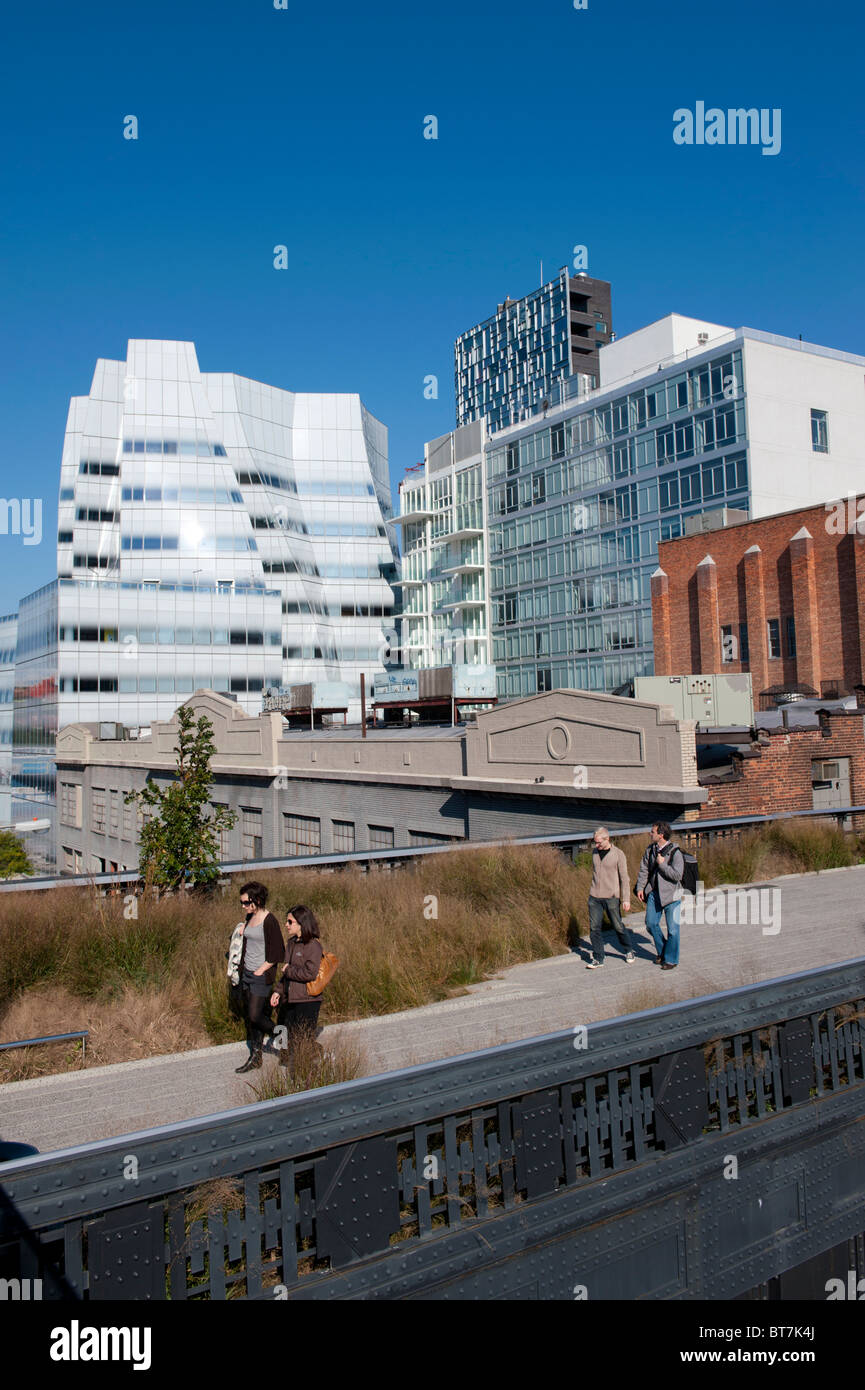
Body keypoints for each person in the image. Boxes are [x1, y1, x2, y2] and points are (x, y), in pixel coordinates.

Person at [231, 881, 285, 1073]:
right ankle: (255, 1056)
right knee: (251, 1018)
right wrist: (241, 931)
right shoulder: (249, 917)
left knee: (255, 1015)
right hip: (246, 973)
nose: (243, 906)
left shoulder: (269, 920)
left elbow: (278, 952)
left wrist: (262, 969)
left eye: (246, 902)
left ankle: (283, 1039)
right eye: (241, 902)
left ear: (257, 900)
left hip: (260, 976)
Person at [270, 905, 325, 1069]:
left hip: (308, 1000)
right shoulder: (291, 943)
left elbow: (310, 974)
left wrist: (290, 970)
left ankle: (309, 1066)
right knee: (287, 1031)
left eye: (290, 922)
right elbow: (285, 973)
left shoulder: (313, 946)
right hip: (290, 997)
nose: (286, 925)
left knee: (303, 1037)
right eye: (286, 921)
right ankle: (292, 1060)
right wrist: (278, 992)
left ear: (301, 923)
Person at [635, 822, 685, 971]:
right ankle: (663, 951)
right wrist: (640, 887)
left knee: (673, 930)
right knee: (650, 924)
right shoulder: (650, 850)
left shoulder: (676, 852)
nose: (650, 834)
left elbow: (677, 875)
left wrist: (662, 865)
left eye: (652, 832)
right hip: (654, 893)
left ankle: (671, 959)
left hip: (672, 896)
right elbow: (644, 869)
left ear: (661, 835)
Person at [585, 827, 635, 968]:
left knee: (617, 925)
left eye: (599, 842)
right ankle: (598, 957)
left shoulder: (618, 854)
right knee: (594, 928)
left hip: (611, 897)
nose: (596, 845)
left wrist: (626, 899)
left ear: (607, 839)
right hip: (594, 896)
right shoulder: (595, 852)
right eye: (595, 842)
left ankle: (628, 950)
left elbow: (625, 878)